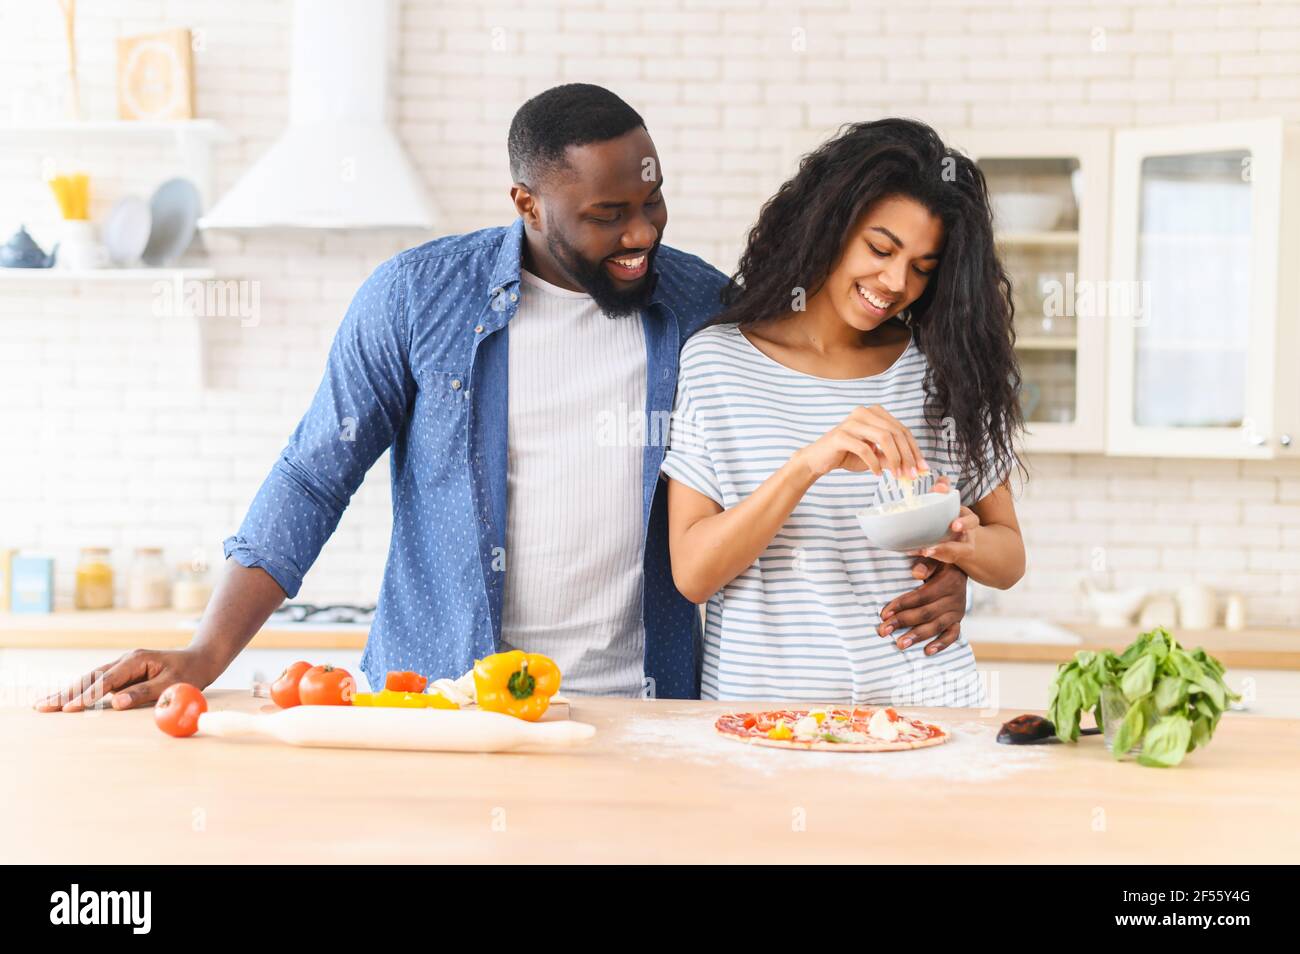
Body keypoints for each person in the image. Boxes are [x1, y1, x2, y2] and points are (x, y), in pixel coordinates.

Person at [36, 89, 973, 713]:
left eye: (652, 203)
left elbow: (814, 447)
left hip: (644, 712)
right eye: (608, 216)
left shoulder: (702, 305)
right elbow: (312, 478)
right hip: (442, 704)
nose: (640, 234)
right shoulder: (415, 299)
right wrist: (206, 657)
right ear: (526, 201)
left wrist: (949, 565)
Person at [662, 118, 1026, 706]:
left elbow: (1009, 557)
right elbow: (694, 573)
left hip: (925, 707)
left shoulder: (942, 370)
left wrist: (961, 551)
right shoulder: (718, 363)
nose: (895, 281)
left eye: (922, 268)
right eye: (880, 249)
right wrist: (809, 463)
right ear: (829, 224)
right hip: (766, 716)